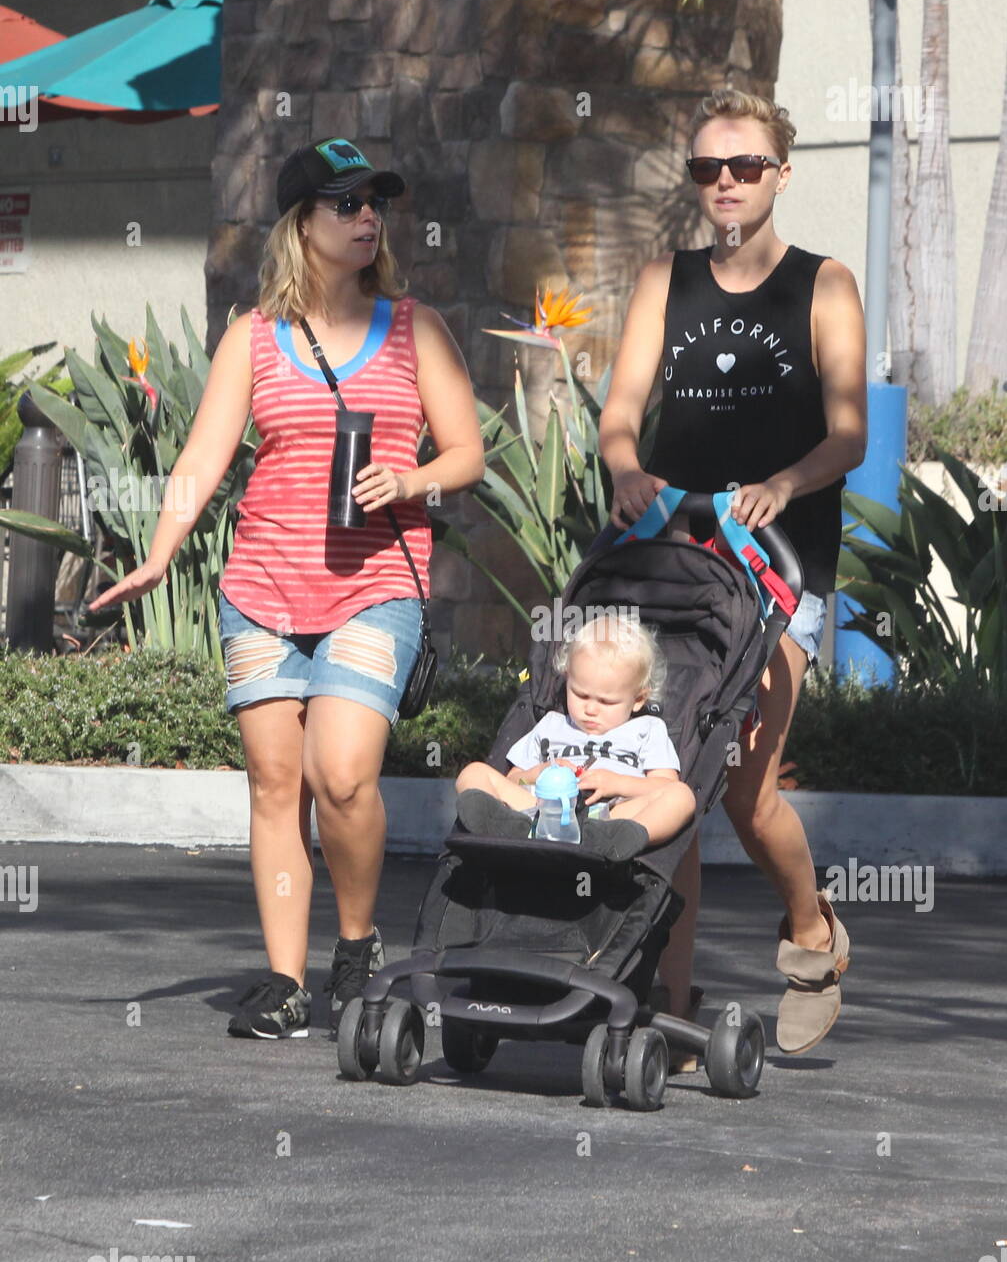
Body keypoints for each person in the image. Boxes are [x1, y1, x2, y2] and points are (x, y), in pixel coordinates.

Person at [89, 137, 484, 1040]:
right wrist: (159, 550)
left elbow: (469, 451)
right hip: (262, 584)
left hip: (374, 583)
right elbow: (201, 458)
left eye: (373, 203)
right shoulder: (253, 336)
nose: (366, 218)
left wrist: (412, 480)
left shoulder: (415, 326)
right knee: (276, 784)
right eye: (344, 204)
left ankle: (354, 942)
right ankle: (281, 979)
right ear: (299, 225)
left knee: (341, 776)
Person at [598, 89, 867, 1058]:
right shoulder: (663, 281)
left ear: (780, 174)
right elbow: (623, 407)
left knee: (745, 785)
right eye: (708, 168)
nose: (725, 183)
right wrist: (627, 465)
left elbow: (849, 433)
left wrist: (784, 481)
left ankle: (810, 930)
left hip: (783, 565)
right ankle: (665, 1001)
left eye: (744, 167)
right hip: (676, 558)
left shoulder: (823, 284)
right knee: (671, 775)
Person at [455, 615, 695, 859]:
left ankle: (614, 839)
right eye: (580, 695)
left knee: (682, 797)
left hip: (609, 816)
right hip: (540, 810)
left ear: (638, 699)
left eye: (606, 701)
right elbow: (513, 778)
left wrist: (616, 783)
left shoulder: (647, 729)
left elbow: (665, 784)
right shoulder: (551, 725)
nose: (590, 709)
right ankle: (511, 827)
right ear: (567, 678)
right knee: (473, 772)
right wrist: (538, 772)